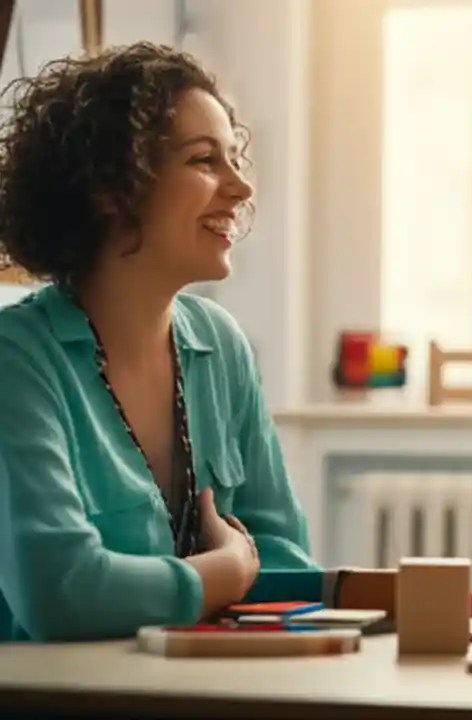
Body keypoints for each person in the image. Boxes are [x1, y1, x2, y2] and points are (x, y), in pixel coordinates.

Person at [0, 43, 316, 642]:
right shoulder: (15, 360)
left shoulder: (221, 346)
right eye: (205, 161)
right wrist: (223, 572)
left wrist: (221, 579)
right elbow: (60, 593)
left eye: (235, 158)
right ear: (110, 188)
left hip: (203, 693)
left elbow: (287, 563)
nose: (241, 188)